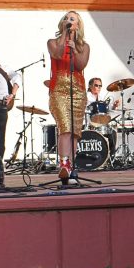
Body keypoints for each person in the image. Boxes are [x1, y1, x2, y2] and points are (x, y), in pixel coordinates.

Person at [47, 12, 90, 177]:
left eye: (72, 19)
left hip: (78, 90)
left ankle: (70, 167)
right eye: (66, 18)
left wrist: (74, 49)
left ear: (78, 25)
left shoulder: (83, 46)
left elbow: (80, 65)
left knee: (74, 131)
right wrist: (65, 35)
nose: (68, 20)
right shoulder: (52, 42)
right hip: (59, 89)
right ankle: (63, 164)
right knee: (64, 128)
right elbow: (57, 54)